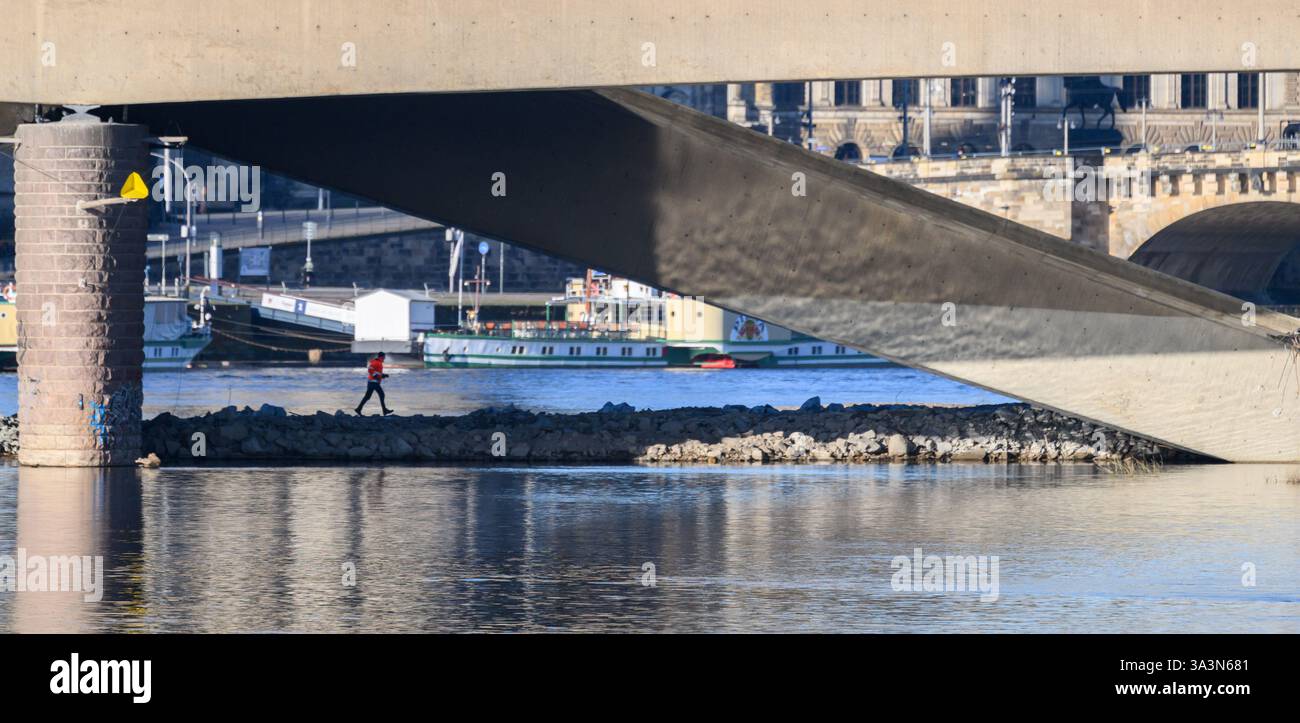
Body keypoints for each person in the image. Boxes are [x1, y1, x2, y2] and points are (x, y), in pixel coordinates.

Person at [355, 352, 394, 416]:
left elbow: (377, 373)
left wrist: (383, 375)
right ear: (381, 357)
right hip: (374, 382)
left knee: (367, 397)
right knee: (382, 395)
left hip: (372, 382)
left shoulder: (378, 362)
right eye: (384, 357)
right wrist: (375, 375)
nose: (384, 359)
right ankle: (385, 410)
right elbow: (370, 370)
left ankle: (358, 409)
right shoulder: (376, 362)